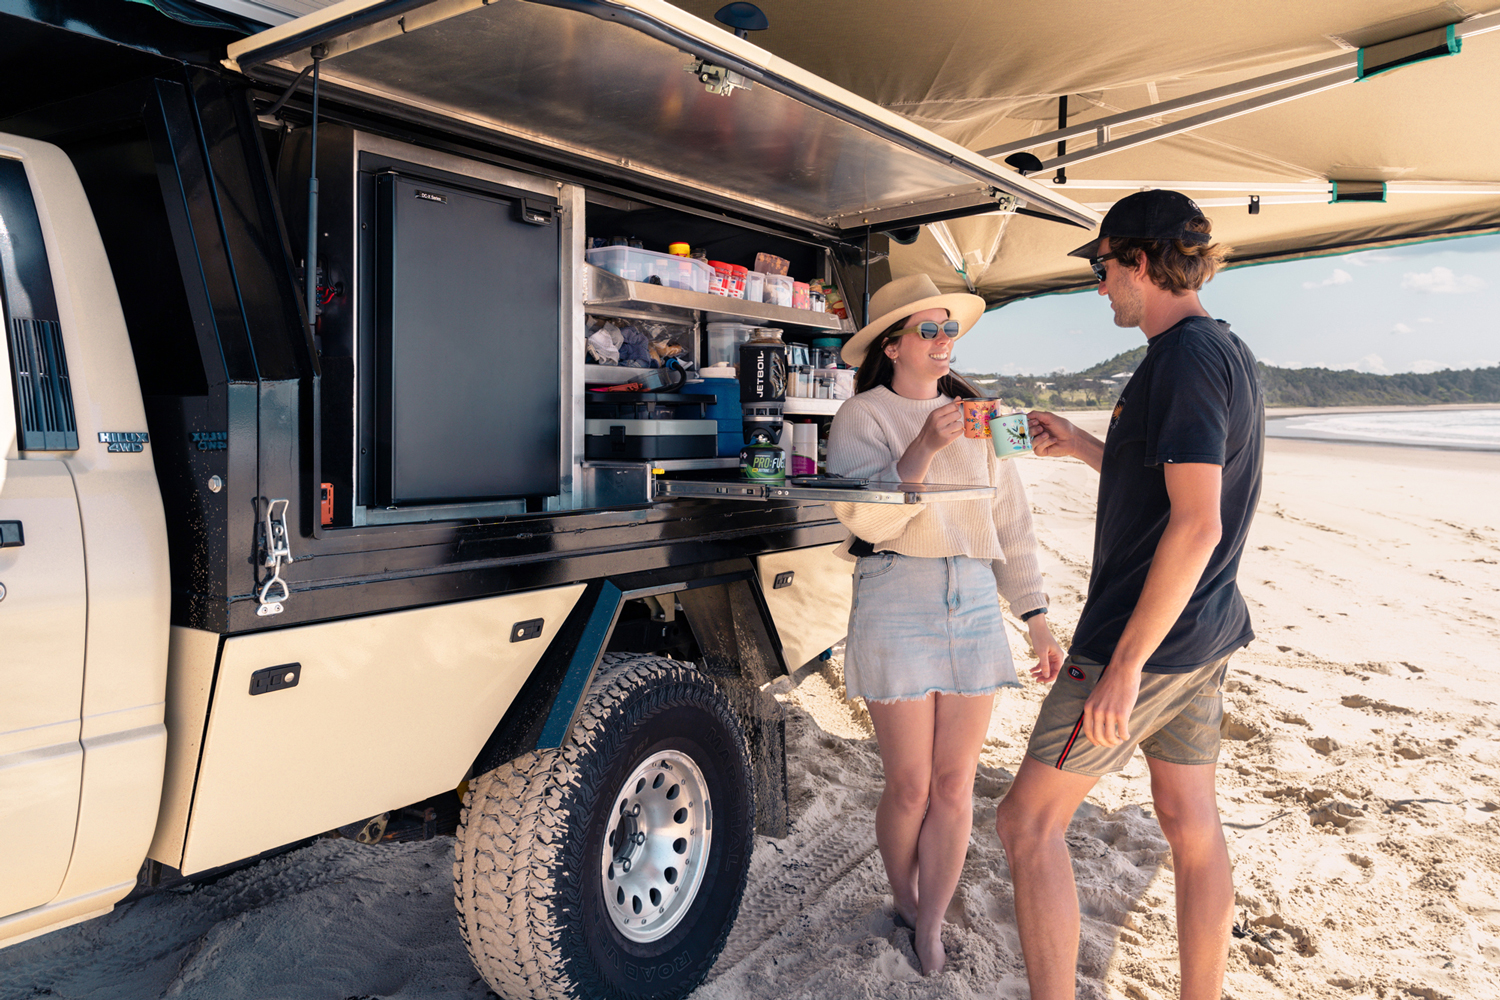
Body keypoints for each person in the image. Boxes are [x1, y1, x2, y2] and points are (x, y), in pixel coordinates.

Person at [993, 190, 1263, 1000]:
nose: (1099, 286)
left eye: (1104, 268)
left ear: (1140, 262)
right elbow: (1169, 489)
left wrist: (1123, 667)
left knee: (1026, 823)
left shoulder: (1182, 358)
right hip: (1204, 631)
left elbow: (1196, 525)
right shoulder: (1219, 350)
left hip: (1141, 642)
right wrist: (1081, 446)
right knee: (1189, 824)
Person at [825, 273, 1064, 976]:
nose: (941, 342)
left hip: (972, 594)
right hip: (897, 592)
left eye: (947, 330)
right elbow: (867, 523)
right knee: (908, 786)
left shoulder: (984, 419)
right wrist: (922, 450)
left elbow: (1012, 526)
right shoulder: (862, 417)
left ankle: (931, 923)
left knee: (956, 785)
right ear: (893, 345)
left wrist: (1039, 622)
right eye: (926, 331)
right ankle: (906, 901)